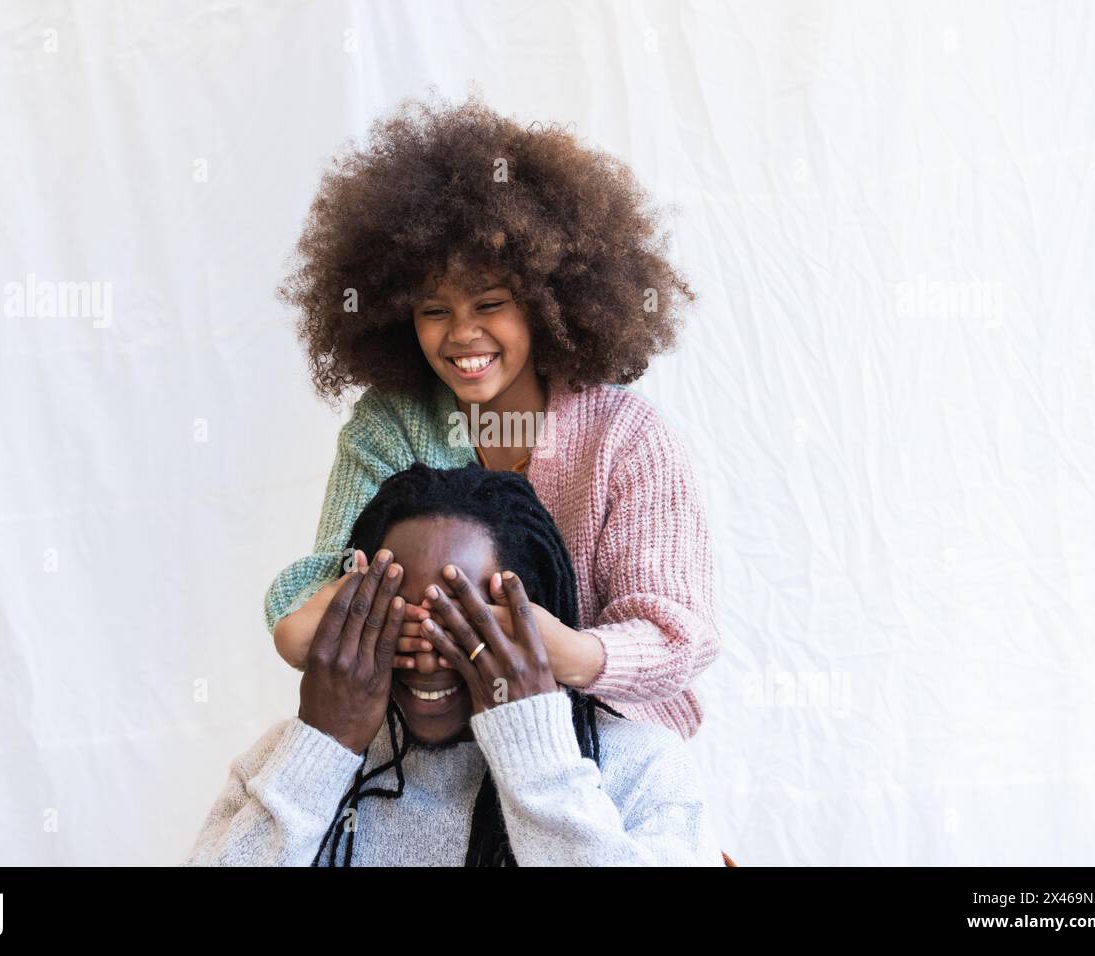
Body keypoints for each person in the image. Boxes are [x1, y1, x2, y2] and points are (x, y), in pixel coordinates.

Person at [267, 94, 720, 740]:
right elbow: (315, 606)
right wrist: (344, 620)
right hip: (435, 741)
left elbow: (677, 635)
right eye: (433, 310)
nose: (461, 334)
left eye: (490, 304)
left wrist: (557, 650)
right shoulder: (390, 428)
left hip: (601, 739)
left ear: (548, 300)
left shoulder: (625, 438)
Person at [187, 465, 721, 866]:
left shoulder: (639, 767)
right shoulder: (282, 761)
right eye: (399, 618)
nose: (426, 656)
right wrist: (323, 745)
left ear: (533, 623)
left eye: (464, 623)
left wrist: (533, 749)